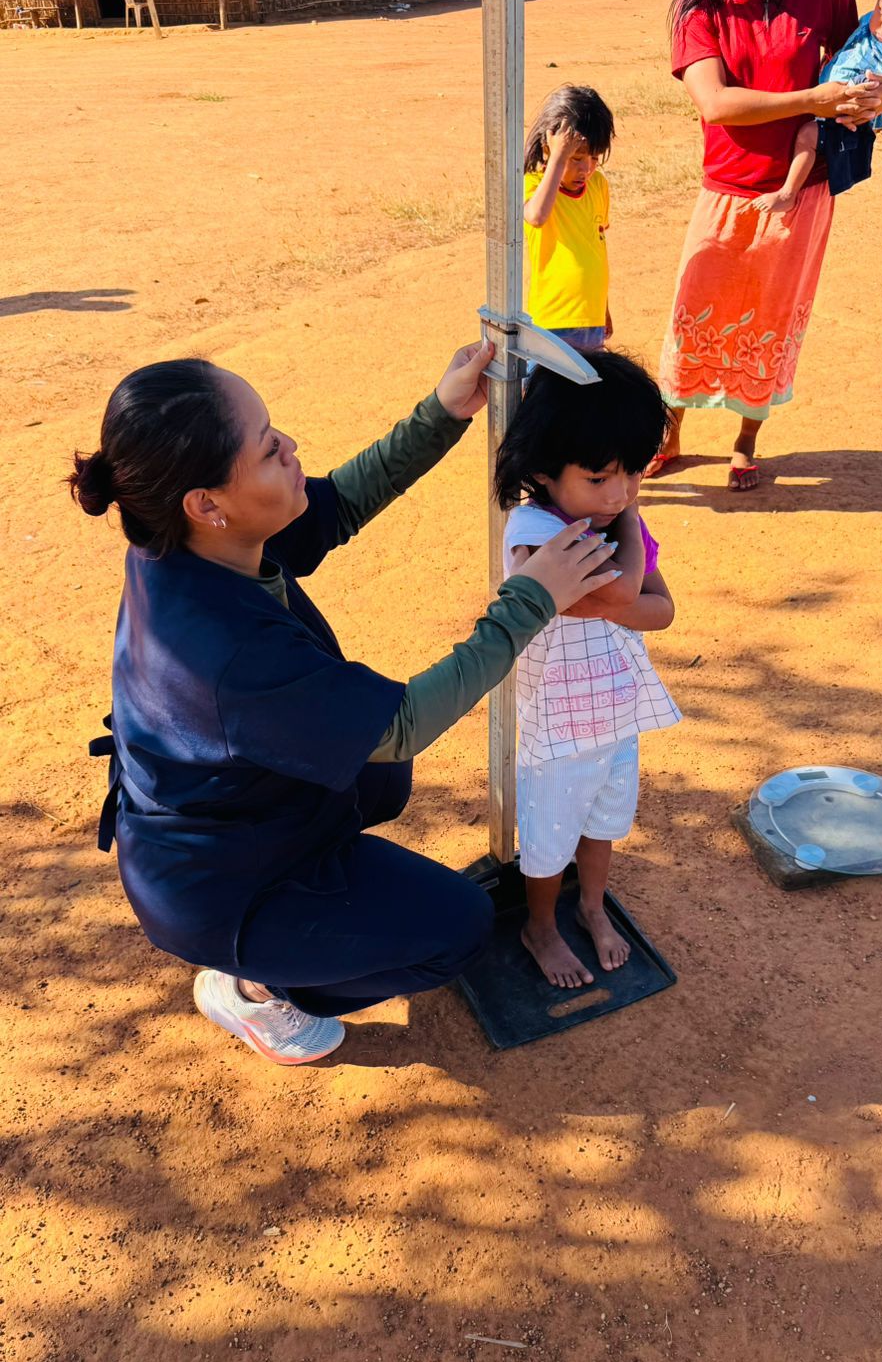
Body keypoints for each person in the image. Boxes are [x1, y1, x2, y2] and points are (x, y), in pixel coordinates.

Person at [73, 345, 617, 1065]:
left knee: (377, 778)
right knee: (457, 927)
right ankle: (262, 987)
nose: (290, 447)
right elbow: (402, 724)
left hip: (245, 814)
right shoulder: (221, 647)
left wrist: (442, 412)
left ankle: (309, 914)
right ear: (207, 504)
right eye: (269, 449)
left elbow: (333, 506)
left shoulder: (190, 542)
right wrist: (530, 601)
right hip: (220, 887)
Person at [646, 0, 882, 492]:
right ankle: (668, 432)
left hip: (805, 187)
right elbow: (715, 105)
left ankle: (746, 441)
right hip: (728, 185)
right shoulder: (700, 10)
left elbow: (865, 53)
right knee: (691, 316)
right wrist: (811, 101)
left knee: (775, 321)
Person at [495, 351, 681, 991]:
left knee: (603, 824)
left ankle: (593, 907)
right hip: (558, 726)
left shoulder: (607, 518)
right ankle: (540, 925)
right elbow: (632, 595)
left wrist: (615, 595)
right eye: (601, 477)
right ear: (544, 470)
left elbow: (661, 610)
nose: (621, 492)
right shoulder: (533, 532)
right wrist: (628, 525)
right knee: (547, 840)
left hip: (617, 712)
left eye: (632, 475)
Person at [750, 0, 882, 210]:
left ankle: (787, 194)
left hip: (849, 115)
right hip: (827, 99)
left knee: (807, 137)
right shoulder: (871, 22)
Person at [523, 84, 617, 354]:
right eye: (575, 158)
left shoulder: (598, 186)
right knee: (547, 395)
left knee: (589, 396)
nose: (586, 169)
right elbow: (537, 217)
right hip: (552, 324)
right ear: (547, 147)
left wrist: (604, 308)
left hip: (592, 321)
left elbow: (596, 248)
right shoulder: (534, 185)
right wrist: (558, 156)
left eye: (594, 158)